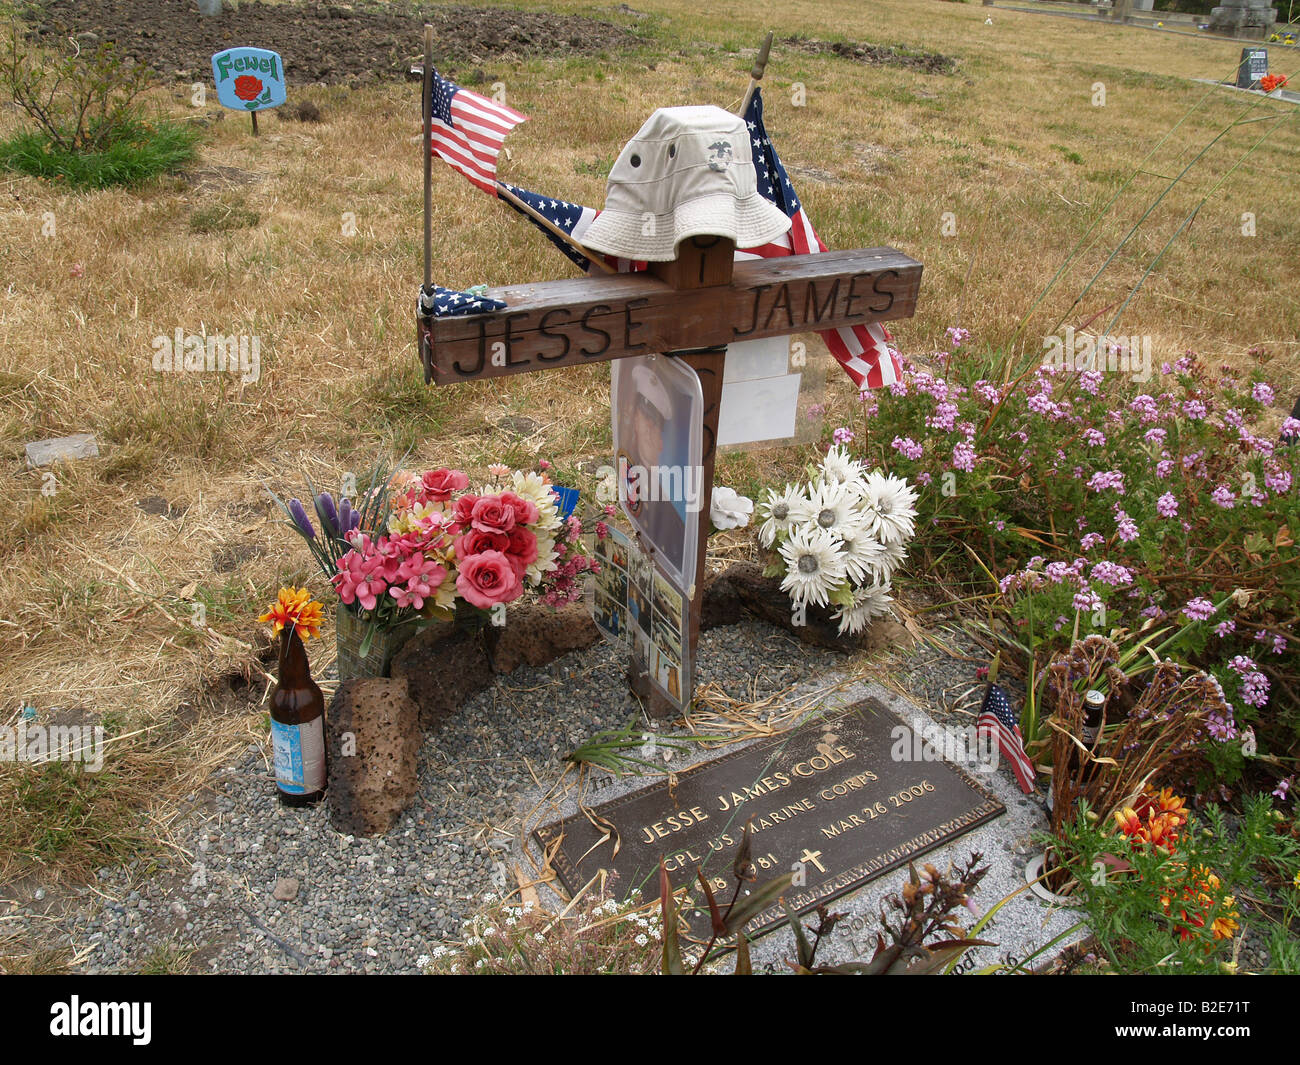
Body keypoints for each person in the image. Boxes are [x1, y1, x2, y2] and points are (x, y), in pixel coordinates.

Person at [617, 359, 689, 577]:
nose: (649, 431)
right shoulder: (630, 467)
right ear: (634, 419)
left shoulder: (665, 502)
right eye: (644, 420)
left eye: (655, 425)